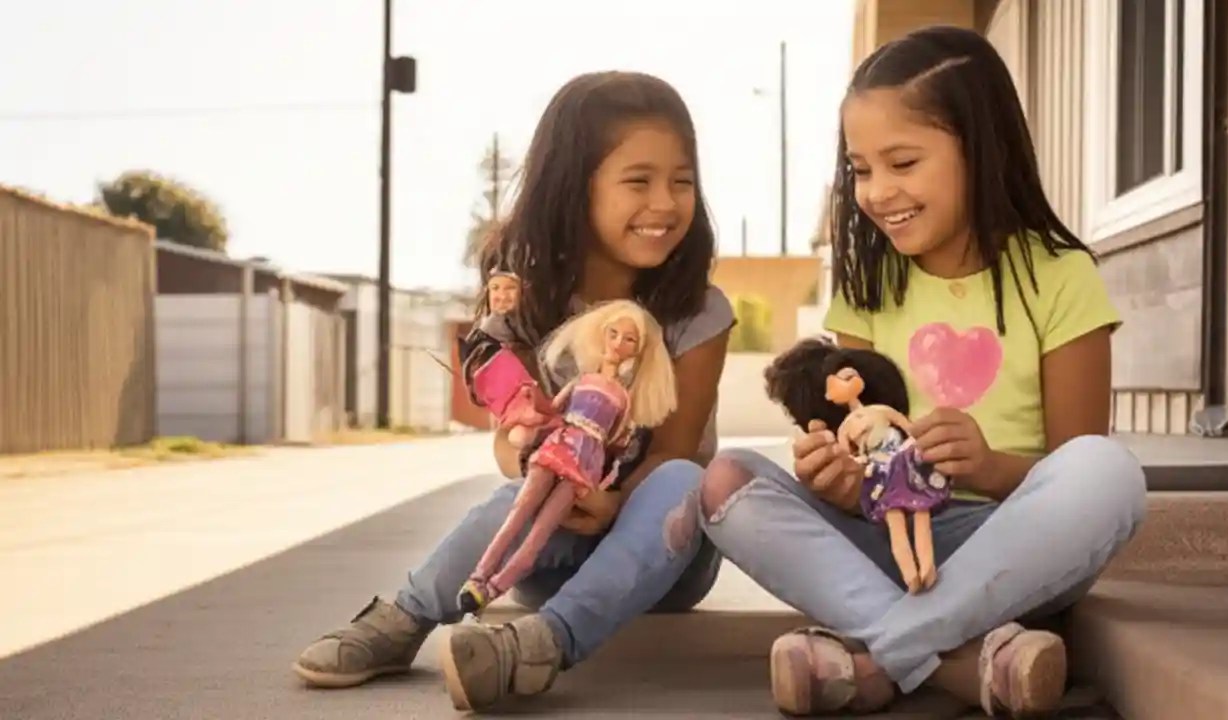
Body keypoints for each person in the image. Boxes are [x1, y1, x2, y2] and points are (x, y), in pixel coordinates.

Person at [698, 26, 1146, 718]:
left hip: (1010, 544)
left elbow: (1071, 465)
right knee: (724, 481)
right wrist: (841, 482)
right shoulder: (869, 288)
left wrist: (989, 466)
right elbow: (861, 463)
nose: (878, 192)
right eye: (861, 168)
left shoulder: (1061, 278)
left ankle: (879, 661)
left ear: (981, 147)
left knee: (1108, 472)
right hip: (890, 542)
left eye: (903, 162)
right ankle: (965, 664)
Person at [291, 70, 736, 712]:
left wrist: (614, 505)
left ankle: (539, 647)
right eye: (638, 181)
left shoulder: (698, 313)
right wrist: (539, 461)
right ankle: (403, 618)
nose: (665, 203)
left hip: (664, 549)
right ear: (574, 188)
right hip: (546, 545)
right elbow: (508, 441)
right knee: (513, 492)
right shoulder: (524, 310)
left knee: (683, 483)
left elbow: (675, 448)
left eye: (682, 181)